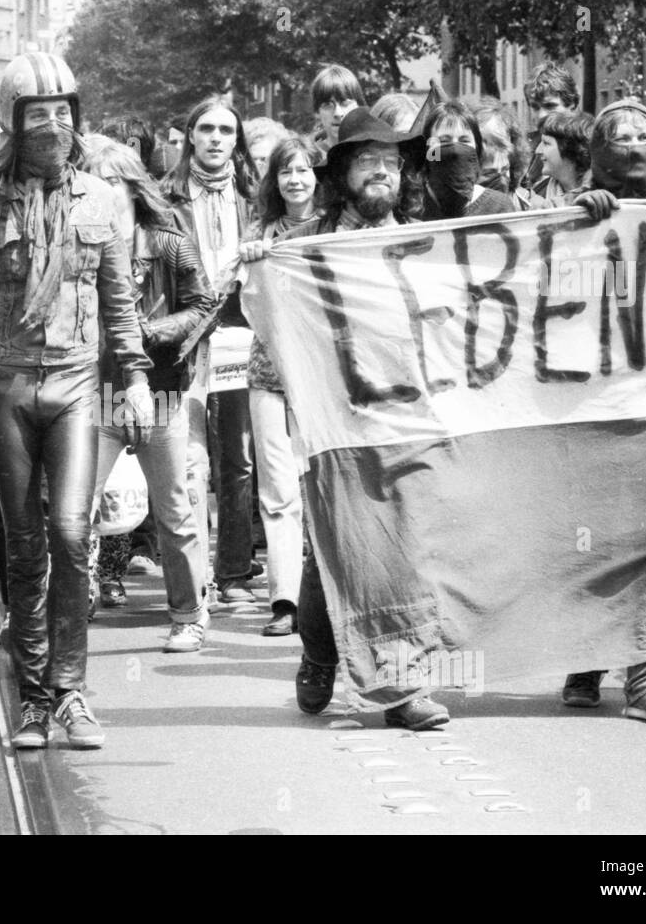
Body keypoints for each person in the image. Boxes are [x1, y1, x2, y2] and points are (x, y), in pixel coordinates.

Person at [0, 52, 154, 749]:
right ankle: (33, 698)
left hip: (74, 383)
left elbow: (119, 299)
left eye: (64, 113)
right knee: (24, 543)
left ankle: (71, 691)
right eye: (39, 115)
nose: (54, 127)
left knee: (69, 531)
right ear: (14, 122)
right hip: (4, 382)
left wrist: (135, 378)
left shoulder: (101, 198)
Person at [258, 108, 451, 731]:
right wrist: (260, 268)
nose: (382, 172)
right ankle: (320, 653)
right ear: (342, 174)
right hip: (333, 419)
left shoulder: (423, 241)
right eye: (368, 161)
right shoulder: (304, 245)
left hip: (407, 416)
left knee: (403, 550)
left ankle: (401, 689)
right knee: (334, 547)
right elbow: (267, 320)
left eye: (391, 162)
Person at [568, 98, 646, 722]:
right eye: (620, 135)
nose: (634, 142)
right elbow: (554, 301)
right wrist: (580, 228)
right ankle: (585, 658)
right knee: (594, 538)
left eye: (644, 132)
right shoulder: (572, 220)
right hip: (592, 402)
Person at [83, 135, 214, 651]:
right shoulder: (81, 243)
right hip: (99, 393)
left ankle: (189, 614)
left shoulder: (169, 242)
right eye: (93, 182)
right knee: (77, 508)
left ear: (134, 188)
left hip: (159, 392)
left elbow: (204, 306)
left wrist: (153, 332)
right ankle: (71, 602)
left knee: (174, 511)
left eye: (112, 181)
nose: (102, 191)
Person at [163, 97, 260, 607]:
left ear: (236, 139)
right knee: (189, 457)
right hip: (186, 335)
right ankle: (193, 573)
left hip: (238, 331)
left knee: (238, 458)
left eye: (226, 130)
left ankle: (235, 572)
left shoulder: (253, 198)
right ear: (191, 136)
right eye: (206, 129)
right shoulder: (167, 197)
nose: (216, 138)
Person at [237, 137, 322, 638]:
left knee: (320, 486)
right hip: (268, 372)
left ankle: (325, 594)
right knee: (277, 490)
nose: (295, 180)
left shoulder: (335, 227)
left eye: (304, 169)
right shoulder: (260, 231)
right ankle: (285, 599)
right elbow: (238, 291)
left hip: (320, 374)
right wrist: (249, 258)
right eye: (286, 171)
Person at [420, 101, 516, 219]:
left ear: (477, 148)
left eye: (464, 141)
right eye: (444, 140)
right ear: (428, 150)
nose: (455, 150)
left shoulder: (499, 207)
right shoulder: (414, 205)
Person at [534, 111, 593, 205]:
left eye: (546, 143)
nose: (538, 150)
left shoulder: (602, 192)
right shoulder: (538, 194)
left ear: (570, 149)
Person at [310, 64, 366, 154]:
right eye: (328, 105)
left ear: (359, 107)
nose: (338, 113)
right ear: (317, 112)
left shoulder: (376, 153)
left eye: (345, 103)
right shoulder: (308, 158)